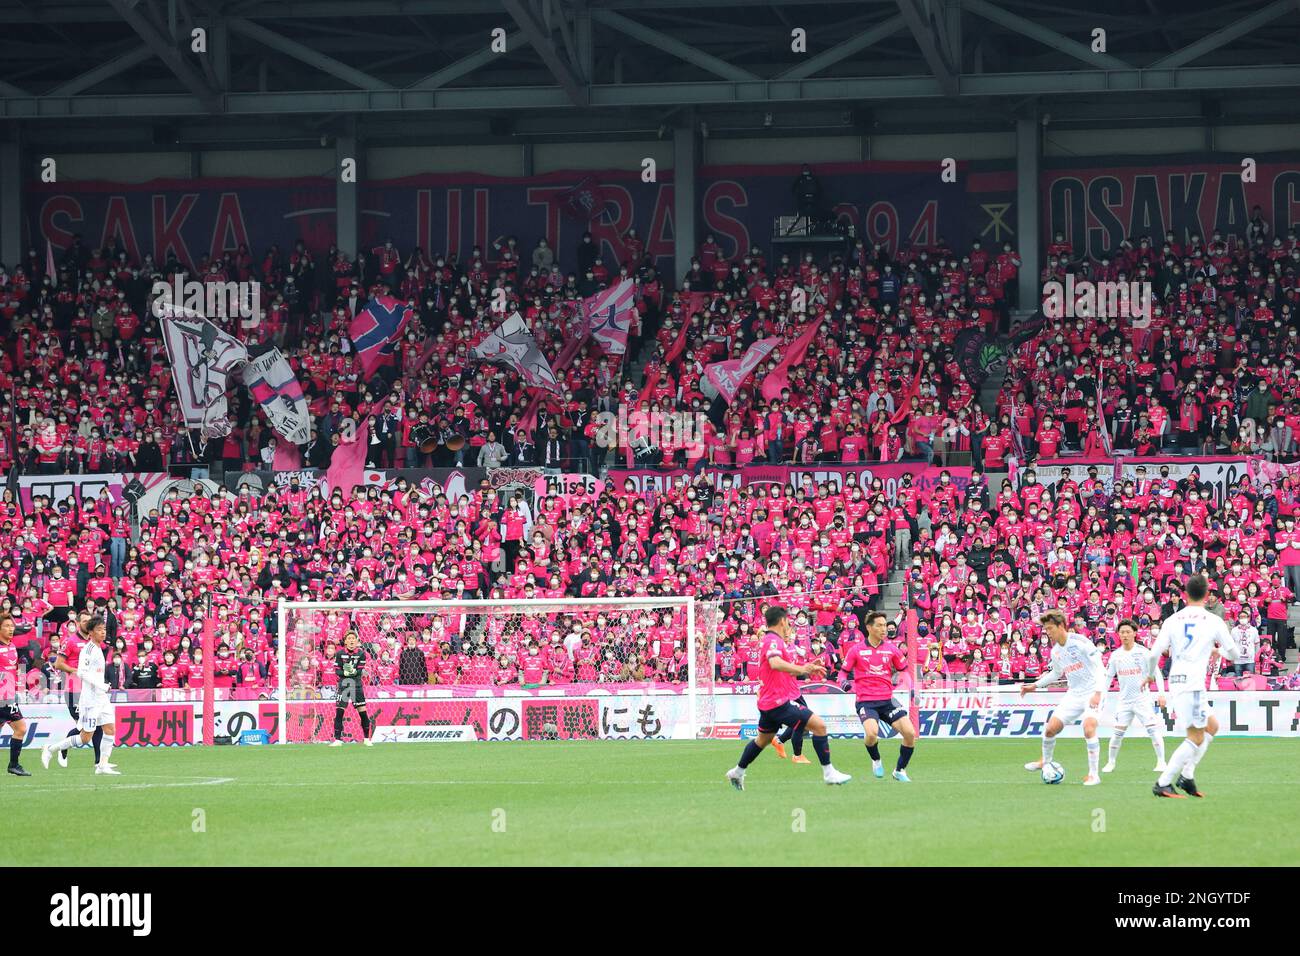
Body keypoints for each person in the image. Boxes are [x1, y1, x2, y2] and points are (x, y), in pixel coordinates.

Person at [725, 606, 851, 790]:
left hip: (770, 702)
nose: (788, 625)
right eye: (788, 622)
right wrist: (804, 669)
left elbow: (779, 668)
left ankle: (737, 772)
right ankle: (829, 773)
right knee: (819, 726)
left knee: (763, 740)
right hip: (778, 701)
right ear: (782, 621)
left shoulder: (774, 640)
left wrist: (806, 666)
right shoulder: (772, 640)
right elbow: (775, 663)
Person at [1149, 575, 1238, 798]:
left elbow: (1153, 654)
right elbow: (1235, 653)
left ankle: (1187, 776)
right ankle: (1163, 782)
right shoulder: (1213, 620)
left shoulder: (1173, 619)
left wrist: (1149, 675)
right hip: (1192, 684)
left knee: (1212, 726)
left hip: (1176, 681)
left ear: (1185, 594)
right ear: (1208, 595)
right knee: (1196, 737)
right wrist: (1220, 651)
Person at [1021, 609, 1106, 786]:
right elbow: (1056, 674)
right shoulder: (1055, 651)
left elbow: (1099, 666)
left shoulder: (1080, 642)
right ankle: (1045, 760)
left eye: (1050, 628)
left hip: (1093, 691)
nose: (1048, 633)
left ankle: (1093, 775)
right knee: (1050, 729)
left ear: (1061, 626)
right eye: (1046, 629)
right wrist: (1035, 686)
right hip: (1074, 694)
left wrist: (1098, 692)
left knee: (1088, 727)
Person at [842, 611, 918, 781]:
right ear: (869, 627)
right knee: (871, 734)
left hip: (887, 701)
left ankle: (899, 770)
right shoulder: (856, 650)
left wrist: (911, 687)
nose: (884, 629)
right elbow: (843, 673)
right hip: (866, 702)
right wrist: (843, 683)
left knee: (910, 733)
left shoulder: (891, 649)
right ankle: (876, 760)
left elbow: (904, 671)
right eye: (880, 625)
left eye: (885, 625)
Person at [43, 616, 119, 775]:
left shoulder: (99, 647)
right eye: (99, 630)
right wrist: (101, 685)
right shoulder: (88, 649)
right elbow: (82, 673)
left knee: (110, 729)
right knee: (85, 737)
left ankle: (102, 765)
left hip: (101, 697)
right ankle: (51, 749)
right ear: (91, 632)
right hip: (90, 698)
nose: (103, 632)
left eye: (104, 629)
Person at [1101, 619, 1167, 774]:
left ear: (1134, 633)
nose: (1125, 635)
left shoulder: (1143, 652)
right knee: (1117, 733)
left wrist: (1162, 694)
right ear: (1118, 634)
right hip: (1124, 701)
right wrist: (1102, 697)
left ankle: (1161, 762)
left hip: (1142, 700)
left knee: (1153, 731)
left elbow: (1157, 673)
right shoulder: (1115, 655)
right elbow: (1108, 678)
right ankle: (1110, 763)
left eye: (1128, 632)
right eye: (1122, 632)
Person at [50, 610, 104, 769]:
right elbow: (58, 664)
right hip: (74, 690)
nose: (87, 623)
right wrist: (76, 671)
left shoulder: (94, 642)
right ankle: (62, 749)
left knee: (97, 724)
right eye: (84, 621)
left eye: (90, 621)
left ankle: (98, 761)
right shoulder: (70, 641)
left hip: (91, 690)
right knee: (83, 727)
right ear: (78, 622)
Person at [329, 631, 374, 747]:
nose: (351, 640)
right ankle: (338, 740)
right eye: (349, 638)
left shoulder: (361, 654)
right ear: (345, 641)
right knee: (339, 712)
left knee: (363, 713)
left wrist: (354, 671)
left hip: (356, 685)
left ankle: (366, 739)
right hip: (344, 685)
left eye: (353, 638)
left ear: (357, 641)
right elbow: (337, 670)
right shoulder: (339, 654)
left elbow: (359, 670)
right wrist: (344, 672)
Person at [0, 615, 31, 776]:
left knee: (20, 729)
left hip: (9, 696)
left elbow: (13, 671)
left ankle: (14, 764)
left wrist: (19, 687)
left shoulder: (12, 646)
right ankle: (14, 764)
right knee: (21, 728)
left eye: (12, 626)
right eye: (6, 626)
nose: (11, 629)